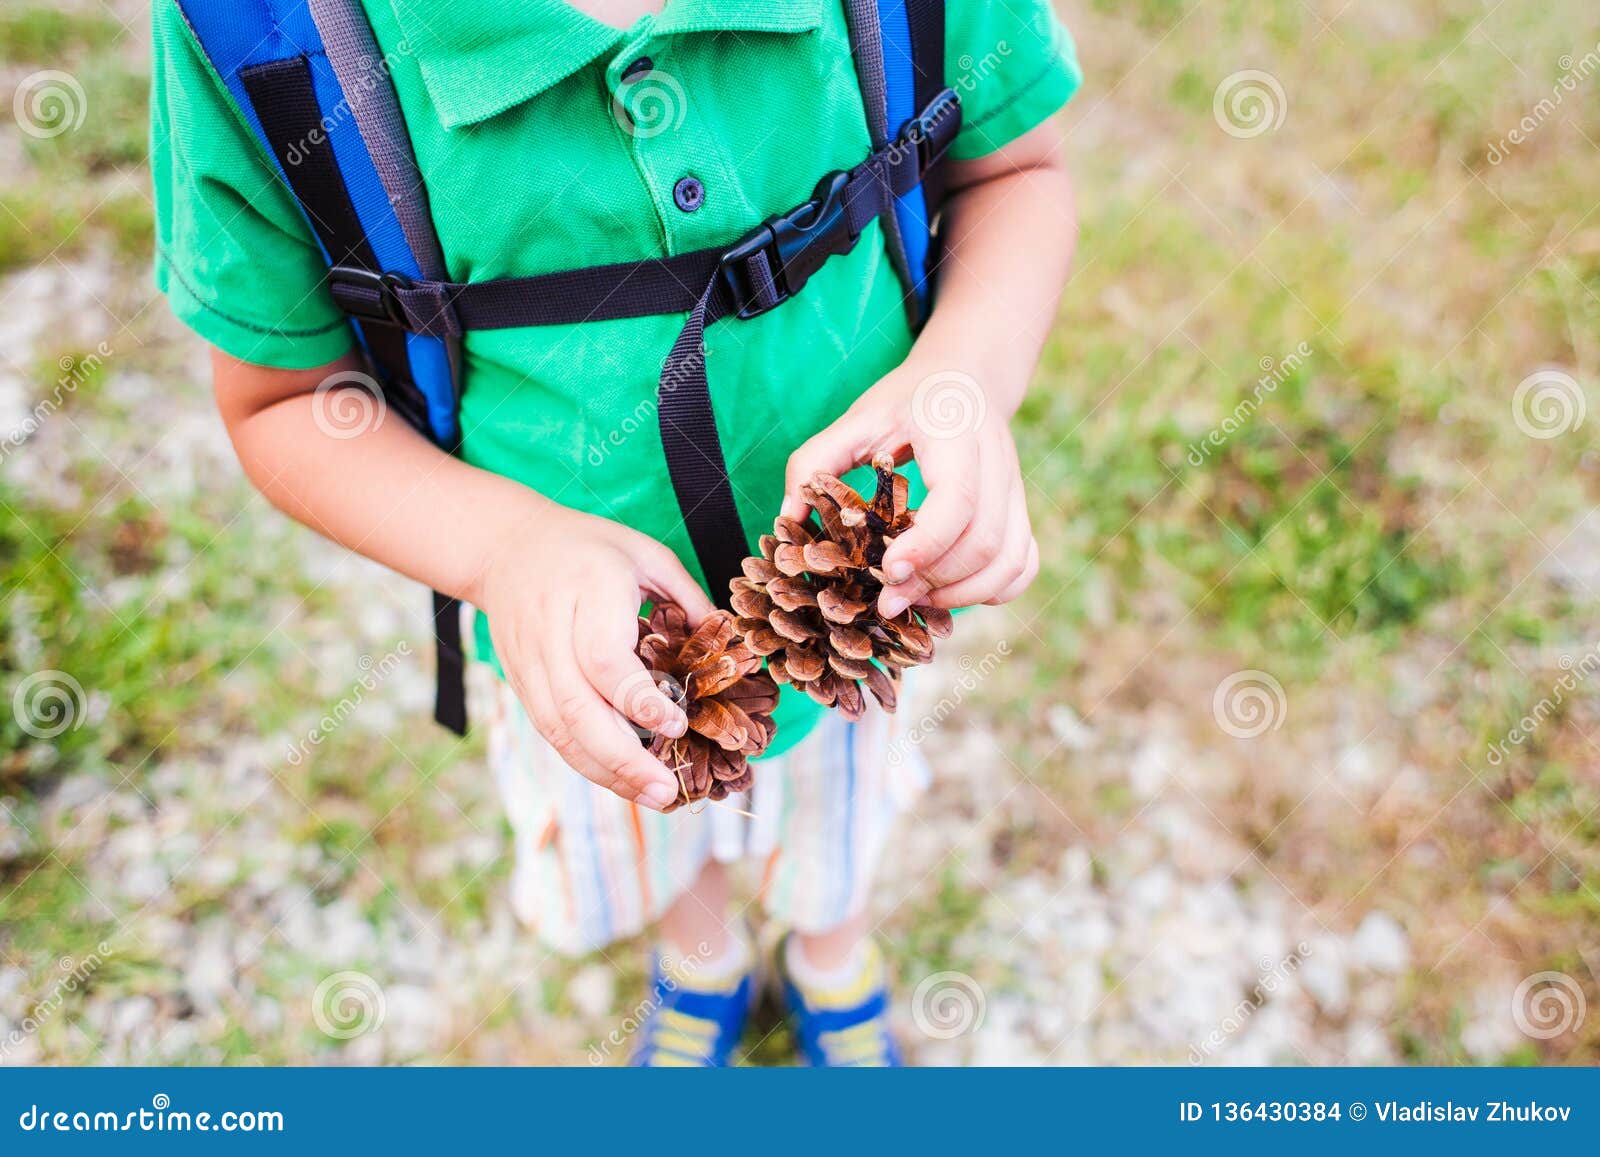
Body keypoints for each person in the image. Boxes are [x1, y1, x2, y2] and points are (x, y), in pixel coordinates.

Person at [151, 0, 1081, 1065]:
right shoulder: (255, 30)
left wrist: (961, 378)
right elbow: (283, 398)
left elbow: (1014, 170)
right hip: (584, 654)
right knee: (655, 811)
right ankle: (701, 957)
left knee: (843, 798)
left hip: (869, 596)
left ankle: (833, 954)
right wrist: (505, 549)